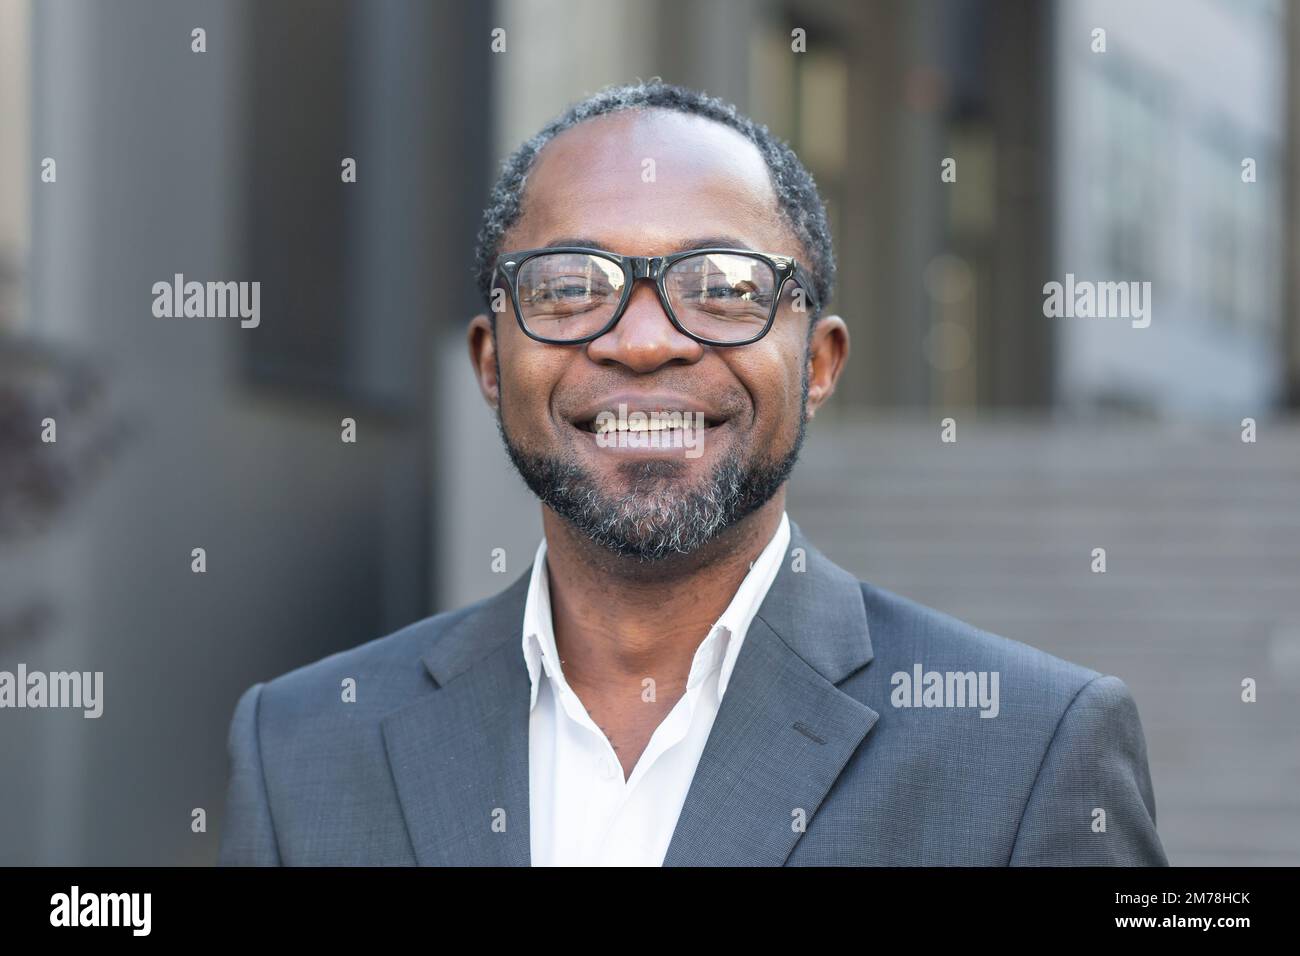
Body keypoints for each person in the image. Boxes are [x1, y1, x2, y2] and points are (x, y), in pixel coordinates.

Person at [218, 80, 1168, 866]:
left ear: (821, 361)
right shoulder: (300, 746)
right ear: (491, 361)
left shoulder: (1033, 750)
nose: (641, 341)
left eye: (721, 288)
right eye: (570, 286)